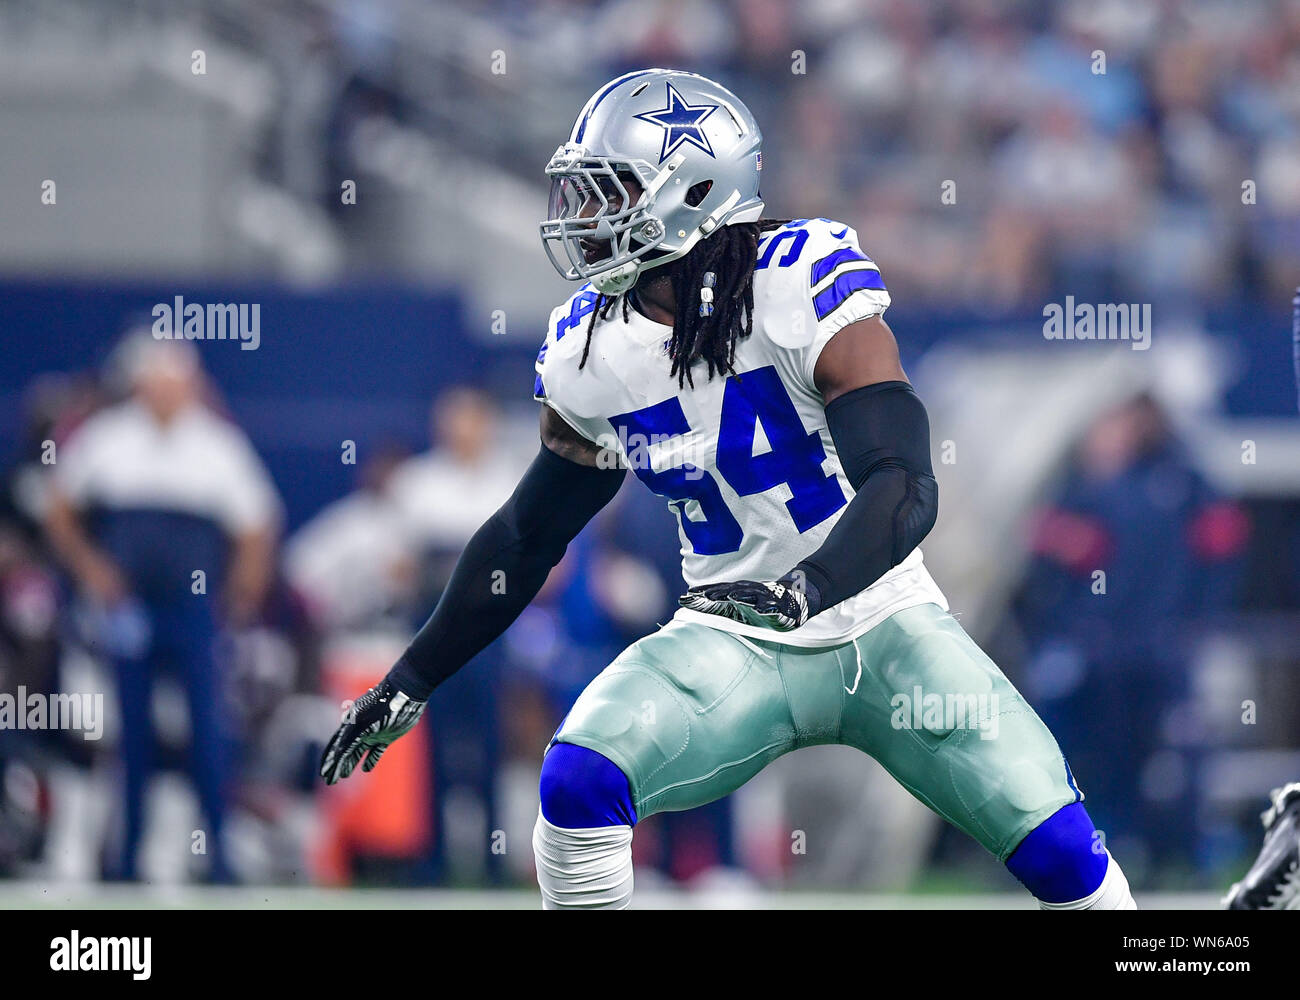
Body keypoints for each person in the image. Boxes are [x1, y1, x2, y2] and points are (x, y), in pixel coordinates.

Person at [320, 69, 1135, 910]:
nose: (585, 219)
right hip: (733, 637)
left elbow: (904, 485)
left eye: (611, 194)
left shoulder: (801, 279)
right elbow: (528, 536)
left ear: (696, 190)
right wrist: (412, 675)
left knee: (1065, 857)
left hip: (882, 623)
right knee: (576, 782)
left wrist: (806, 590)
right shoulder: (592, 350)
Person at [45, 332, 280, 881]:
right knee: (132, 736)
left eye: (176, 384)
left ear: (192, 386)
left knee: (207, 730)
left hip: (194, 611)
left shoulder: (216, 444)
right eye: (157, 383)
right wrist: (94, 571)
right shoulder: (108, 439)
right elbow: (60, 506)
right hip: (130, 609)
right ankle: (126, 861)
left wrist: (242, 592)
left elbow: (257, 521)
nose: (167, 394)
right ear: (141, 385)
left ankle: (219, 858)